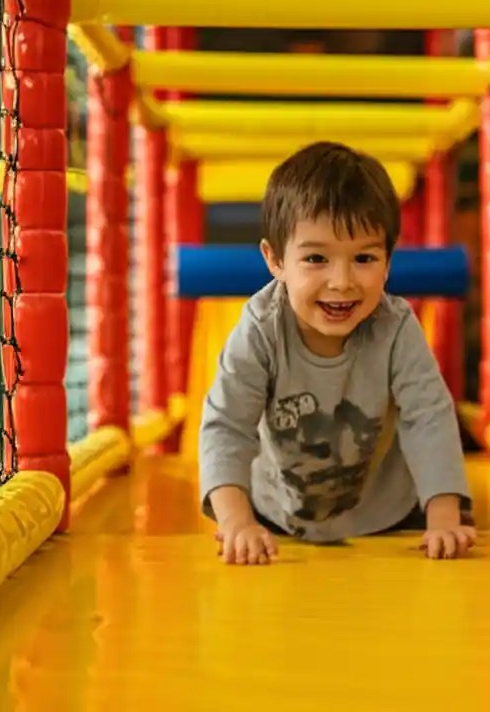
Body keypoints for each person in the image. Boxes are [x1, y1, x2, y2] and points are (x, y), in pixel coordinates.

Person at [198, 141, 475, 565]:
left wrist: (442, 516)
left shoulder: (395, 327)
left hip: (387, 518)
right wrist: (236, 521)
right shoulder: (262, 328)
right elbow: (226, 424)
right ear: (275, 260)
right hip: (277, 518)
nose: (342, 281)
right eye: (316, 258)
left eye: (364, 257)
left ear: (388, 262)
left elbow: (428, 416)